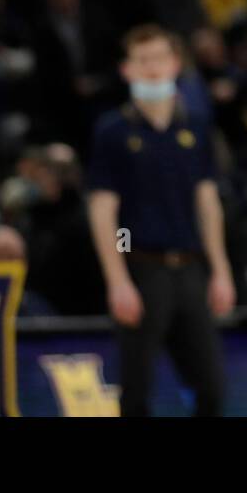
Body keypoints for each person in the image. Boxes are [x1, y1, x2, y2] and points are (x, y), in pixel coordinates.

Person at [86, 24, 235, 416]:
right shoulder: (113, 131)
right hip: (141, 268)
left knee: (212, 386)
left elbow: (208, 204)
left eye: (158, 58)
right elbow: (102, 210)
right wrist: (117, 280)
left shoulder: (196, 126)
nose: (151, 68)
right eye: (142, 60)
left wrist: (220, 270)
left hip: (189, 268)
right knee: (136, 391)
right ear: (127, 70)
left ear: (175, 64)